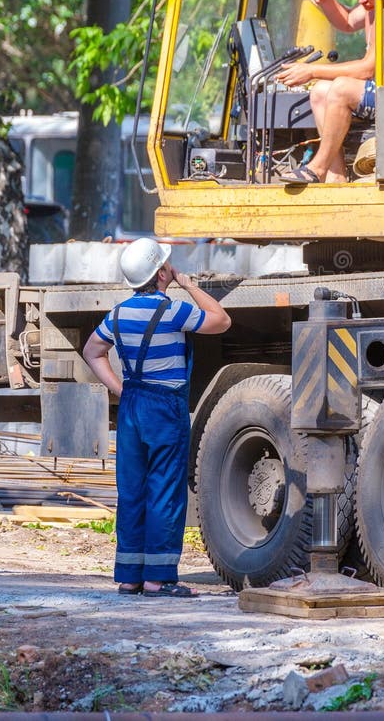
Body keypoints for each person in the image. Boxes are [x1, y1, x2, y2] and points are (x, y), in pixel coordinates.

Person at [83, 238, 231, 597]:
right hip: (165, 407)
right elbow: (222, 320)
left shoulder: (117, 314)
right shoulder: (173, 311)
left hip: (133, 404)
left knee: (132, 491)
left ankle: (130, 577)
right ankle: (158, 579)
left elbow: (92, 351)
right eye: (167, 265)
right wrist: (190, 285)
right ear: (161, 272)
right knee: (164, 490)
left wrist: (121, 389)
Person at [277, 0, 376, 184]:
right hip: (375, 91)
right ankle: (336, 175)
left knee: (341, 88)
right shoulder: (370, 5)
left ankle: (318, 166)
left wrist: (310, 71)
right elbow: (349, 21)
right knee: (320, 91)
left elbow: (367, 69)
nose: (362, 0)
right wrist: (326, 0)